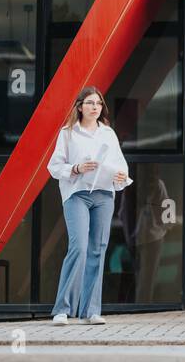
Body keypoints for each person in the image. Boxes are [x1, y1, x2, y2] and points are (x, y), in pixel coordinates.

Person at [46, 86, 132, 324]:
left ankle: (91, 311)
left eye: (98, 104)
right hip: (77, 194)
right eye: (90, 103)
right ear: (80, 106)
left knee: (98, 249)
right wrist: (76, 168)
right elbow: (54, 167)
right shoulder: (68, 133)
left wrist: (121, 177)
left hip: (104, 195)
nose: (95, 107)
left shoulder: (108, 134)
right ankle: (62, 308)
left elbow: (120, 165)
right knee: (79, 247)